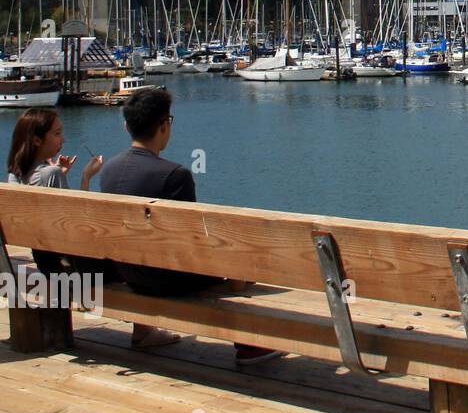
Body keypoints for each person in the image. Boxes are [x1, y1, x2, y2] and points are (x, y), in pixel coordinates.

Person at [99, 87, 283, 365]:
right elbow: (193, 247)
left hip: (128, 272)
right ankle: (249, 342)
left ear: (127, 126)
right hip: (168, 280)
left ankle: (142, 330)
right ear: (164, 126)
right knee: (239, 257)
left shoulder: (108, 171)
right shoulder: (175, 175)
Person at [5, 107, 175, 349]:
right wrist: (86, 177)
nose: (62, 139)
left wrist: (62, 176)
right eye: (56, 134)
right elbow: (76, 230)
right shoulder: (50, 173)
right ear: (36, 140)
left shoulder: (15, 174)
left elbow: (56, 217)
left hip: (46, 264)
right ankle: (143, 330)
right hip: (71, 271)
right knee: (135, 254)